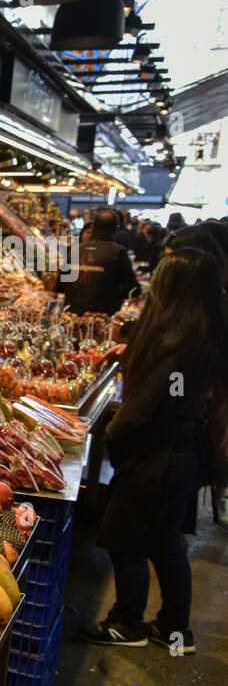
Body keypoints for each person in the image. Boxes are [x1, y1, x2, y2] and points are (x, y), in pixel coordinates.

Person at [82, 249, 227, 652]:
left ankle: (127, 623)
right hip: (181, 452)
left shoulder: (178, 343)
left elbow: (148, 404)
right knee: (165, 543)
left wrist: (114, 436)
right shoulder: (202, 333)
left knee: (126, 539)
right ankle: (175, 629)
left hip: (159, 454)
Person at [61, 208, 138, 314]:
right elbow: (131, 287)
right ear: (116, 228)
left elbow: (61, 284)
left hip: (71, 312)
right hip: (103, 315)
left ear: (93, 227)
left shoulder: (75, 249)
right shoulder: (118, 252)